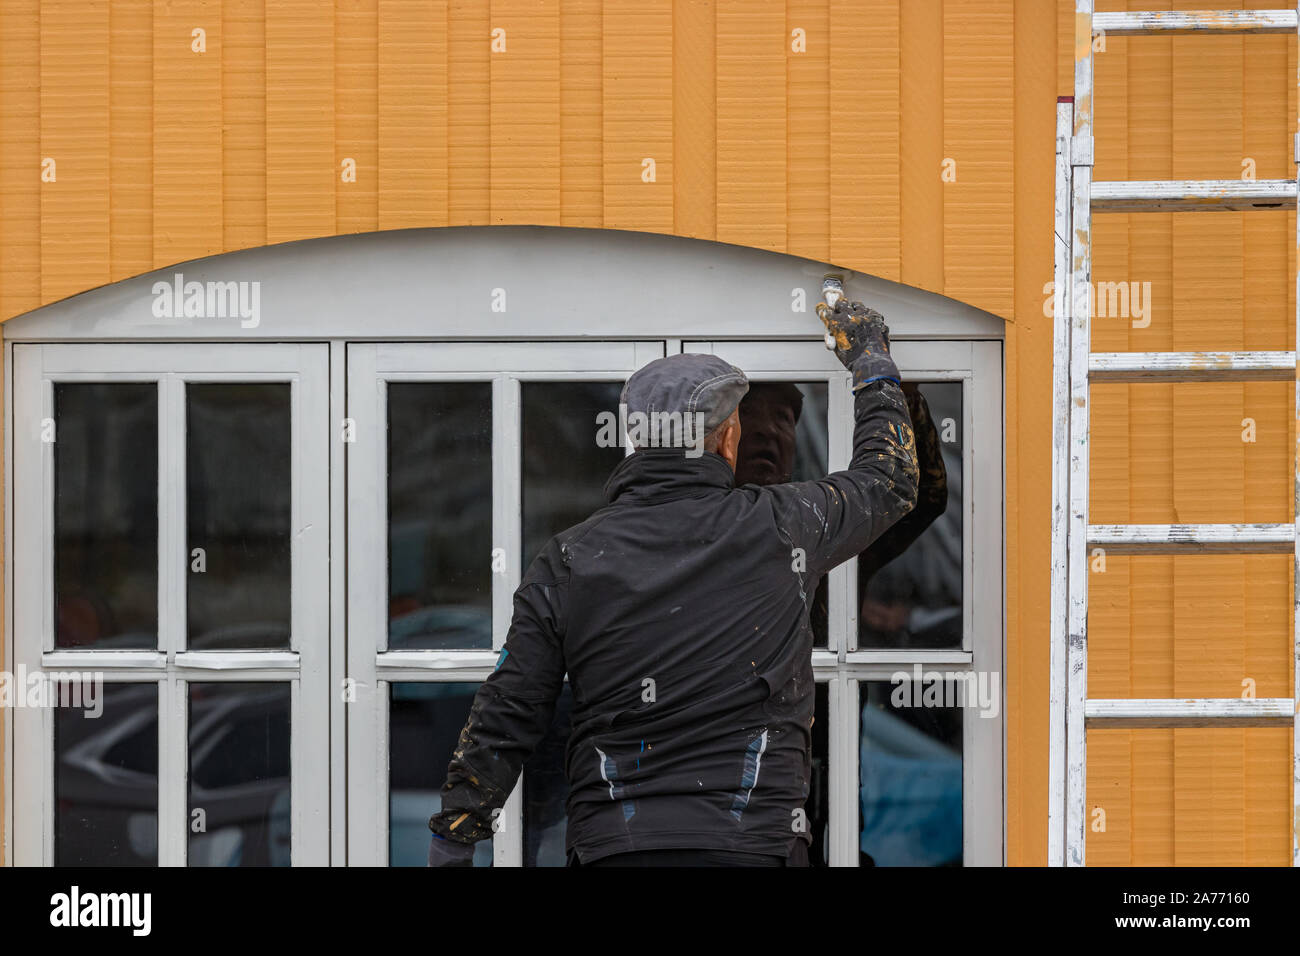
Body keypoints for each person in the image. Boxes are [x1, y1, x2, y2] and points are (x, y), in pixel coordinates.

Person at [427, 299, 919, 867]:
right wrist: (870, 360)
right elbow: (891, 479)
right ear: (727, 439)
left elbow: (510, 708)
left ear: (633, 440)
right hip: (752, 844)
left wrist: (455, 835)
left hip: (617, 847)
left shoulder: (571, 558)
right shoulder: (783, 526)